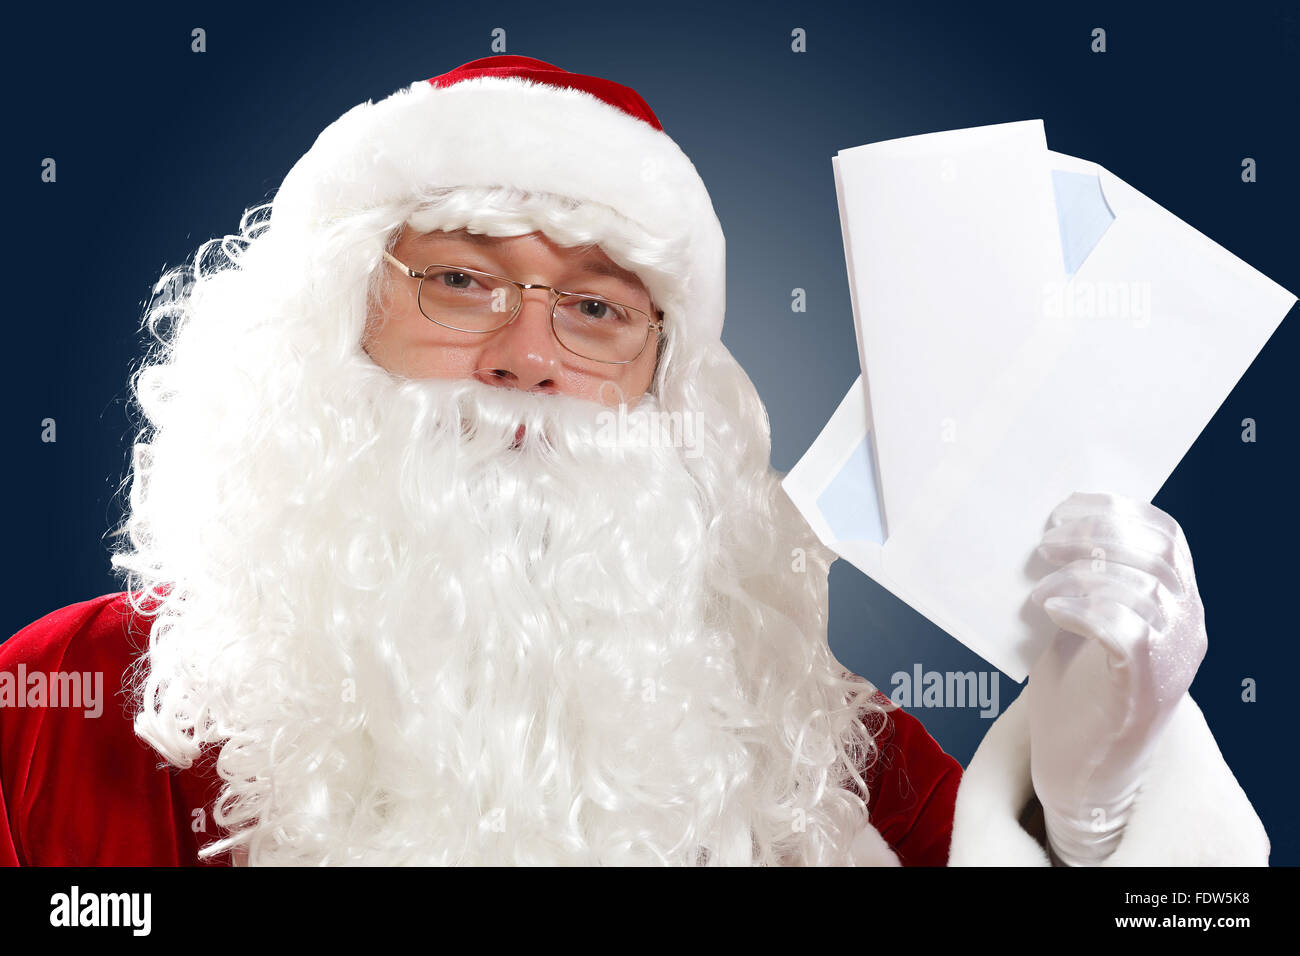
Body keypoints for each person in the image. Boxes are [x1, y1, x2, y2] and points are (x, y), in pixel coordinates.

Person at [0, 56, 1268, 866]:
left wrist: (1097, 813)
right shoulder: (57, 699)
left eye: (597, 310)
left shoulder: (802, 728)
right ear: (332, 319)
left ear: (668, 389)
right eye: (461, 280)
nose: (525, 356)